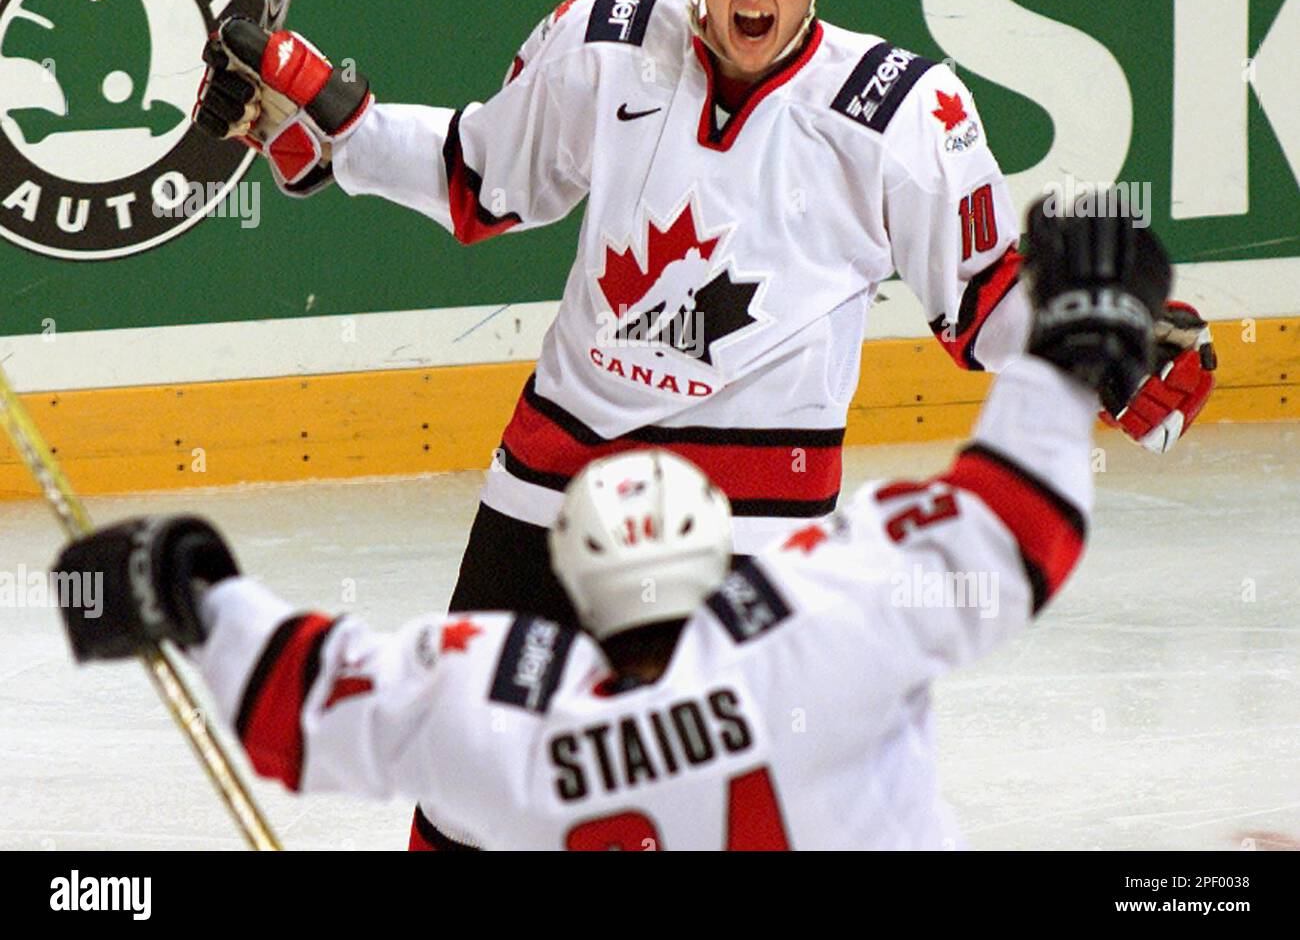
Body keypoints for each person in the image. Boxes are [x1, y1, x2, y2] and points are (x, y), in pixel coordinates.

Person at [191, 0, 1214, 846]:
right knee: (470, 796)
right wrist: (323, 115)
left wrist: (1107, 357)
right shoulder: (603, 42)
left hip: (755, 523)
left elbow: (984, 305)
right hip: (554, 488)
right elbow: (474, 179)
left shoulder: (900, 111)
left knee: (725, 807)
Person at [56, 199, 1172, 850]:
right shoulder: (831, 612)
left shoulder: (494, 698)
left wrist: (182, 586)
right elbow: (1012, 527)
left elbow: (301, 694)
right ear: (722, 549)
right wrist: (1069, 364)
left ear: (570, 579)